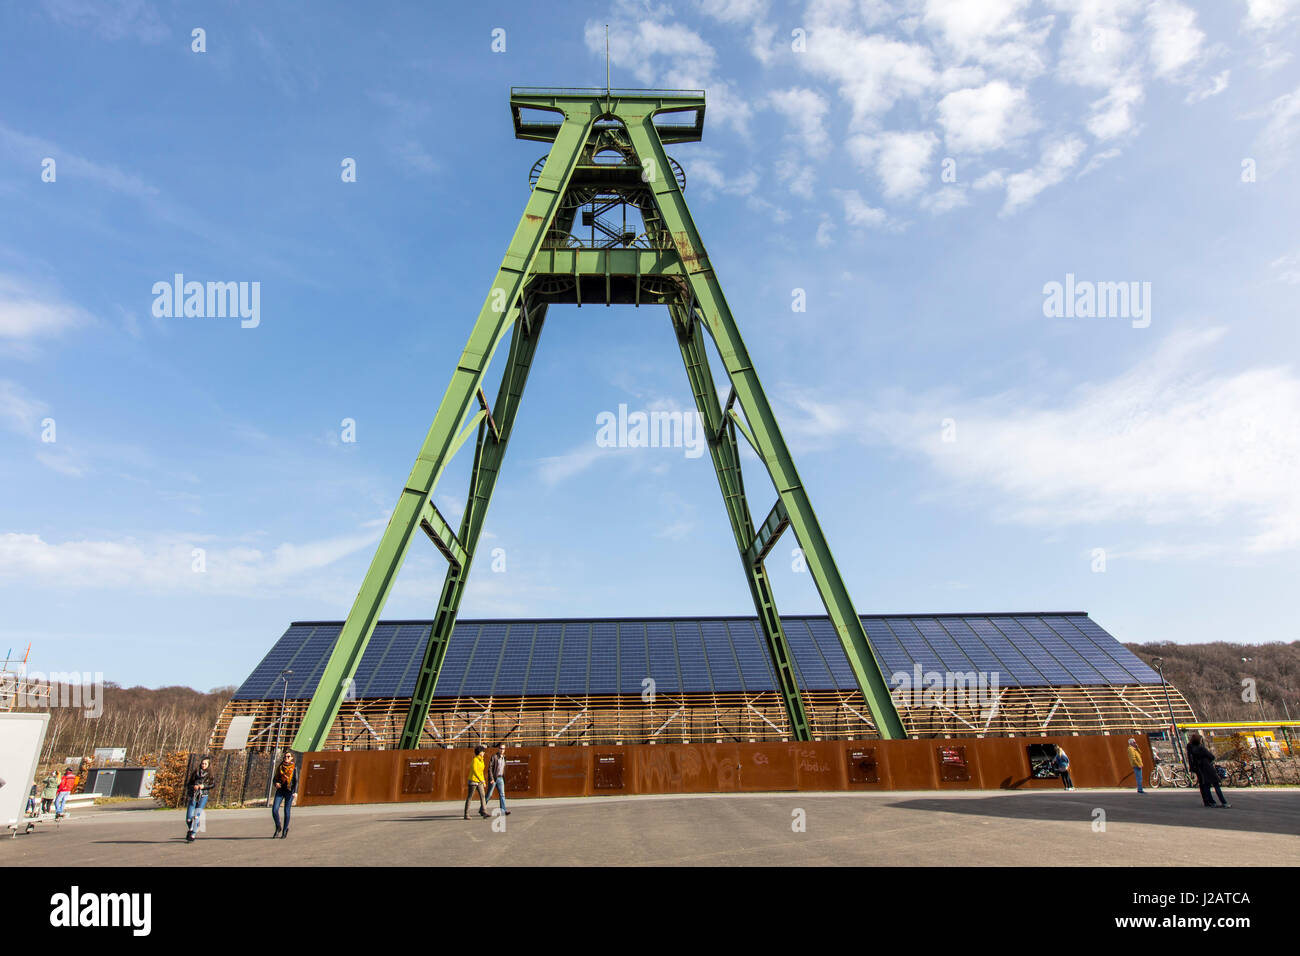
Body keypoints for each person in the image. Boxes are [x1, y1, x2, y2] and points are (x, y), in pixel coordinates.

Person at [1186, 733, 1230, 808]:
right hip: (1208, 768)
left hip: (1200, 768)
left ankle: (1210, 802)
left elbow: (1191, 760)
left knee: (1205, 786)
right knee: (1216, 785)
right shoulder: (1201, 749)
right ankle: (1224, 802)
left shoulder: (1191, 749)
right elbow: (1212, 756)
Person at [184, 755, 216, 841]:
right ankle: (193, 827)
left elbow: (212, 784)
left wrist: (204, 786)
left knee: (196, 816)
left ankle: (192, 834)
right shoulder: (196, 773)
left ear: (208, 765)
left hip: (203, 796)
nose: (203, 765)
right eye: (202, 763)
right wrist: (193, 786)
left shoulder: (210, 774)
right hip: (193, 796)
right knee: (188, 818)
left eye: (205, 764)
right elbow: (188, 784)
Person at [271, 752, 298, 839]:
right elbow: (275, 779)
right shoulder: (280, 767)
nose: (286, 758)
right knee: (274, 810)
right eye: (285, 756)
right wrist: (276, 784)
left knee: (286, 812)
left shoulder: (294, 768)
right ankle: (278, 826)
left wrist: (294, 792)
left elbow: (296, 781)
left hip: (289, 791)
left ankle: (285, 830)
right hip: (280, 790)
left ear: (291, 758)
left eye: (288, 756)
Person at [484, 742, 511, 816]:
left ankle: (503, 810)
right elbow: (490, 768)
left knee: (502, 794)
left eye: (503, 749)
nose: (502, 750)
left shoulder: (504, 757)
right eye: (501, 748)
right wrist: (491, 779)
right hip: (494, 778)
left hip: (500, 778)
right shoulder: (494, 757)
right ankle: (482, 809)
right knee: (489, 795)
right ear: (498, 749)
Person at [464, 745, 489, 820]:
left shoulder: (482, 760)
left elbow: (481, 772)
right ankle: (466, 814)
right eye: (483, 751)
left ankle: (484, 811)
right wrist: (482, 780)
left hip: (480, 781)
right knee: (470, 797)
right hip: (473, 781)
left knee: (483, 796)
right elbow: (475, 771)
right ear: (479, 752)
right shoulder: (475, 760)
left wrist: (483, 781)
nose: (484, 752)